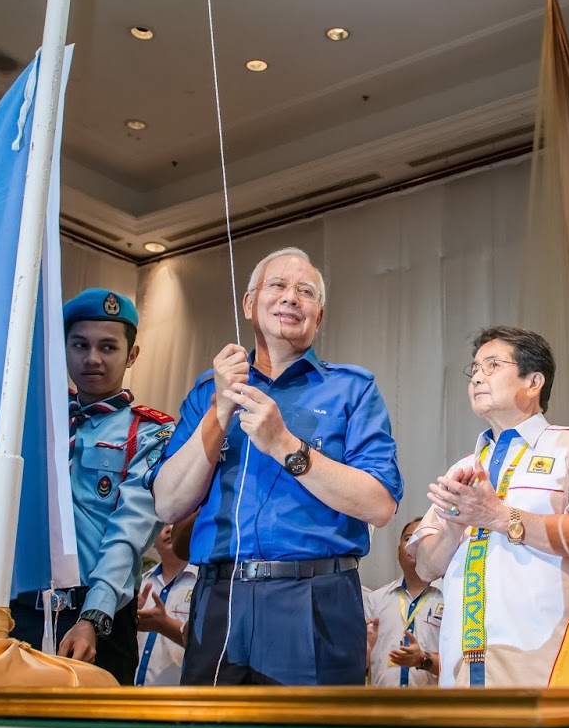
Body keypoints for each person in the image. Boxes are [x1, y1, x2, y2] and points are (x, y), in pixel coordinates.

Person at [149, 248, 402, 686]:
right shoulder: (210, 389)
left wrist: (286, 446)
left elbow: (379, 504)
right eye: (278, 286)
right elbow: (168, 503)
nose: (291, 298)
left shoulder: (351, 388)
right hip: (218, 595)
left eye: (305, 292)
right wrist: (221, 409)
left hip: (315, 598)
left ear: (318, 317)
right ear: (249, 304)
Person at [412, 326, 569, 687]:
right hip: (460, 656)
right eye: (474, 368)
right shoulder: (462, 468)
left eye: (492, 365)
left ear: (533, 381)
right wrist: (452, 525)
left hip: (542, 656)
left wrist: (497, 516)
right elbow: (426, 566)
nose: (477, 376)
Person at [11, 288, 174, 684]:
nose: (92, 359)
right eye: (80, 344)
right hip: (20, 611)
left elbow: (128, 534)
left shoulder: (150, 432)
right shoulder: (31, 421)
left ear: (132, 355)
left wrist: (92, 618)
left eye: (108, 347)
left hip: (96, 620)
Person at [363, 519, 444, 687]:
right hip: (382, 708)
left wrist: (423, 659)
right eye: (408, 538)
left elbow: (461, 667)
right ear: (398, 551)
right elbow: (360, 667)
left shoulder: (450, 600)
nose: (414, 544)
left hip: (434, 709)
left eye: (422, 539)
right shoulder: (374, 600)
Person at [133, 519, 198, 687]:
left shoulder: (202, 584)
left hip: (181, 703)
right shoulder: (140, 583)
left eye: (177, 522)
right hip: (133, 700)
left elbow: (209, 644)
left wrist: (164, 625)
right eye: (162, 524)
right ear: (152, 541)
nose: (169, 529)